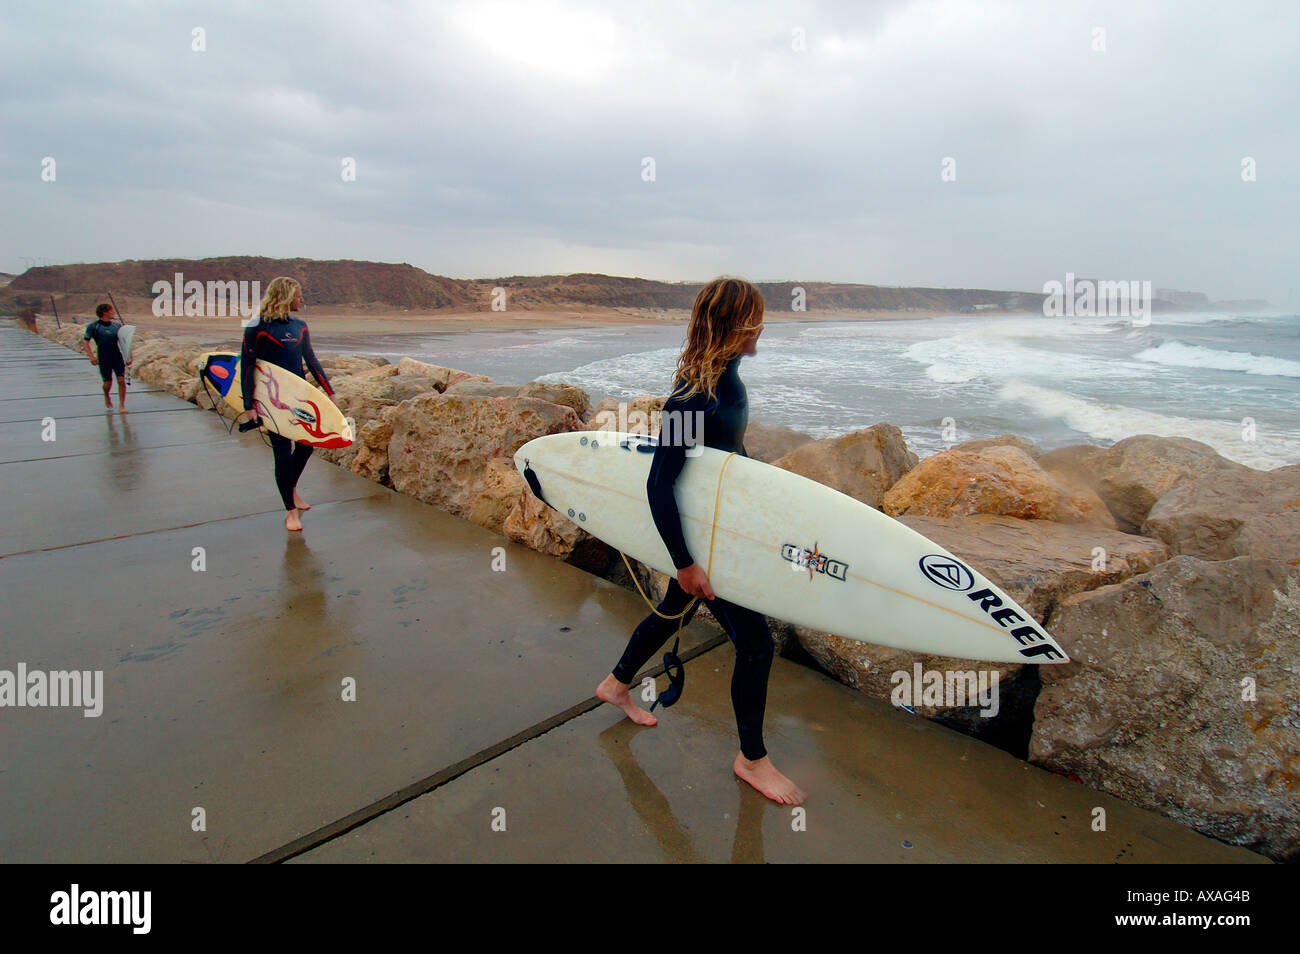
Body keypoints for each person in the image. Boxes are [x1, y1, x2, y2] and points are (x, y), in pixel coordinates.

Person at [596, 277, 807, 806]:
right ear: (735, 325)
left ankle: (617, 684)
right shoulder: (692, 400)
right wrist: (686, 563)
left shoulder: (727, 380)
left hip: (720, 529)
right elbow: (659, 483)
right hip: (703, 544)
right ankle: (752, 760)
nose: (763, 327)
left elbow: (722, 460)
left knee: (675, 612)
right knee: (756, 644)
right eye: (755, 318)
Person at [241, 277, 334, 532]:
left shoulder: (300, 326)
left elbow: (311, 360)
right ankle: (290, 512)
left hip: (299, 399)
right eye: (298, 295)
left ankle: (290, 488)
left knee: (306, 446)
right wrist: (250, 405)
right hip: (272, 402)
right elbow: (247, 366)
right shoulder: (256, 327)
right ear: (285, 296)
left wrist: (330, 392)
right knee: (281, 454)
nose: (301, 299)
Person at [83, 303, 128, 412]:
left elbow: (124, 342)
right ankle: (106, 395)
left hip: (117, 356)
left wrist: (128, 356)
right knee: (107, 383)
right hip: (103, 357)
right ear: (105, 312)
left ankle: (122, 405)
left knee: (121, 380)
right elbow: (85, 342)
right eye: (111, 311)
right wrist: (91, 357)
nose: (113, 313)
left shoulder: (117, 326)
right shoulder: (93, 327)